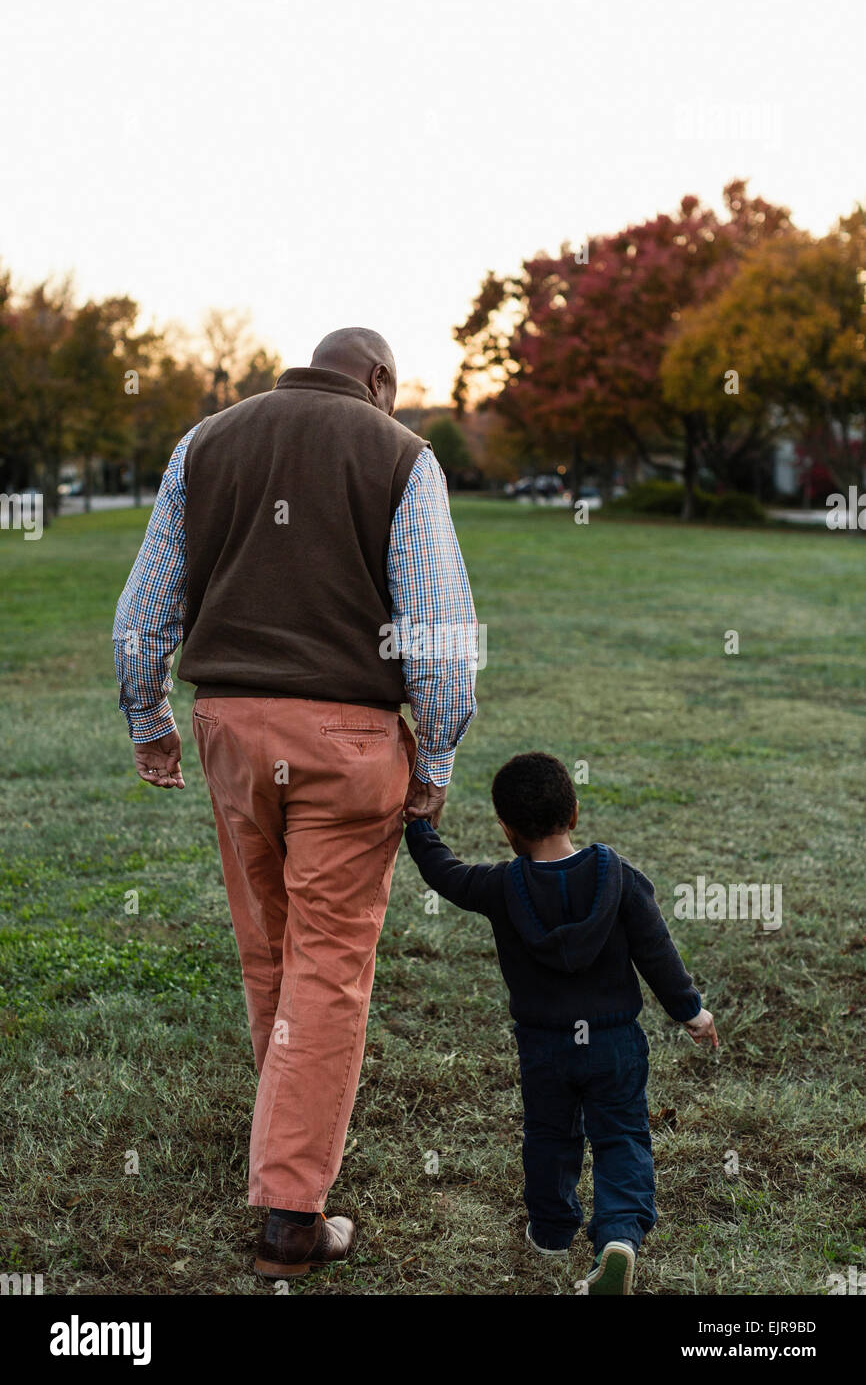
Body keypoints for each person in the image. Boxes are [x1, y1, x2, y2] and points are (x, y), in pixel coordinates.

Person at [113, 327, 477, 1278]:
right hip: (349, 741)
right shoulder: (401, 455)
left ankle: (281, 1138)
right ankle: (290, 1211)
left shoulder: (205, 441)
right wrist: (434, 756)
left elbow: (145, 609)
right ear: (382, 381)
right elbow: (439, 632)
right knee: (329, 964)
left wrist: (149, 721)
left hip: (232, 729)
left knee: (268, 943)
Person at [404, 751, 718, 1295]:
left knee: (549, 1135)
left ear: (505, 830)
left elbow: (445, 874)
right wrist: (691, 1010)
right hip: (615, 1042)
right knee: (620, 1135)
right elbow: (657, 953)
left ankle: (550, 1233)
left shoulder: (500, 886)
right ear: (573, 812)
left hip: (545, 1046)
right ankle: (619, 1235)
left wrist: (418, 826)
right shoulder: (619, 877)